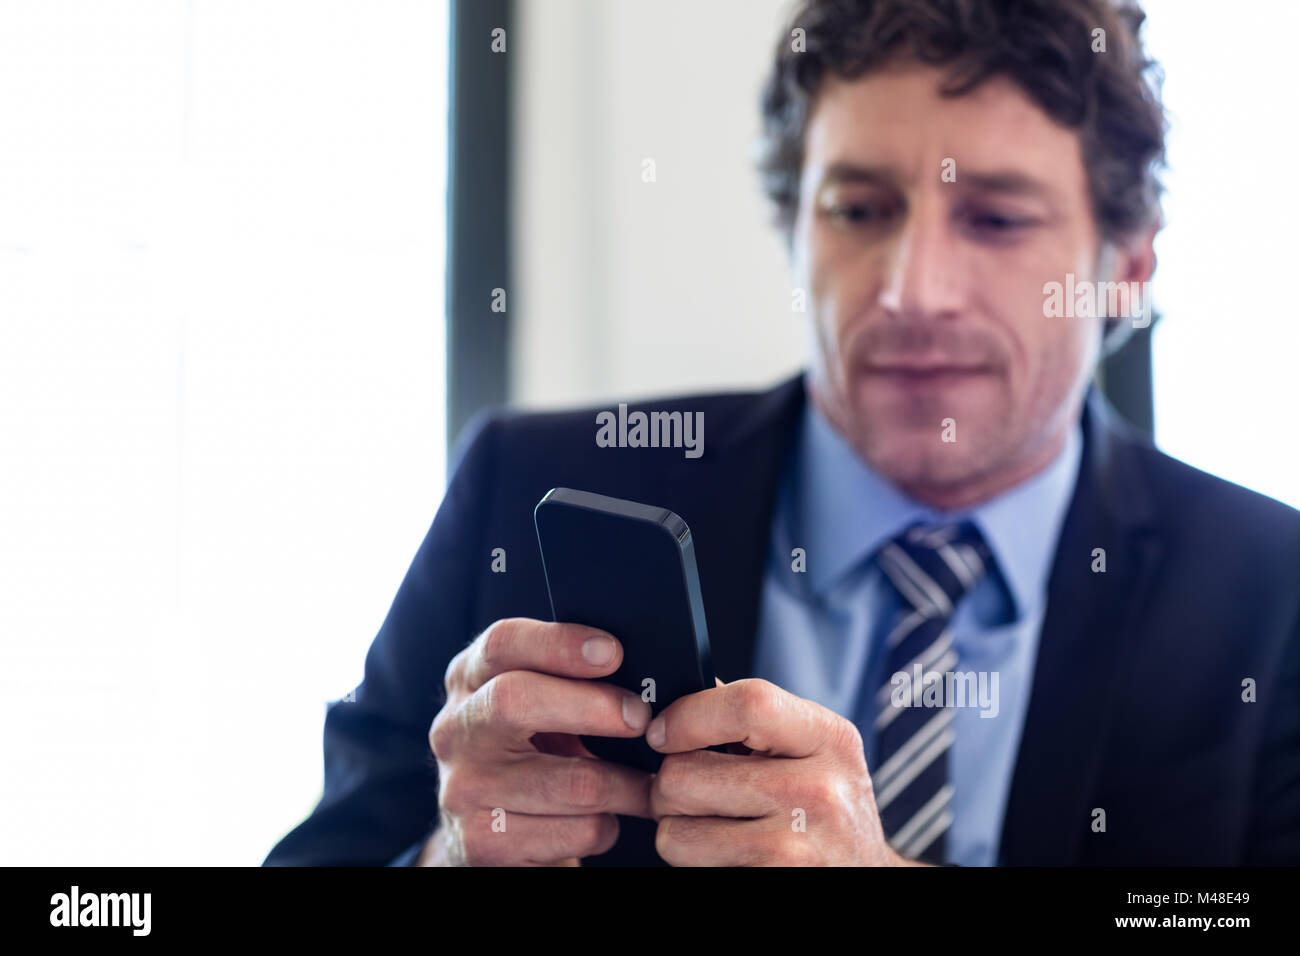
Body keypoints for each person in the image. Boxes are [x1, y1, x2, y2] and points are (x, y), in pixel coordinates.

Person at [264, 0, 1300, 866]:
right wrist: (451, 852)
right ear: (792, 231)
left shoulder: (1269, 590)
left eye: (995, 218)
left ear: (1125, 266)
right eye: (859, 209)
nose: (911, 290)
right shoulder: (525, 483)